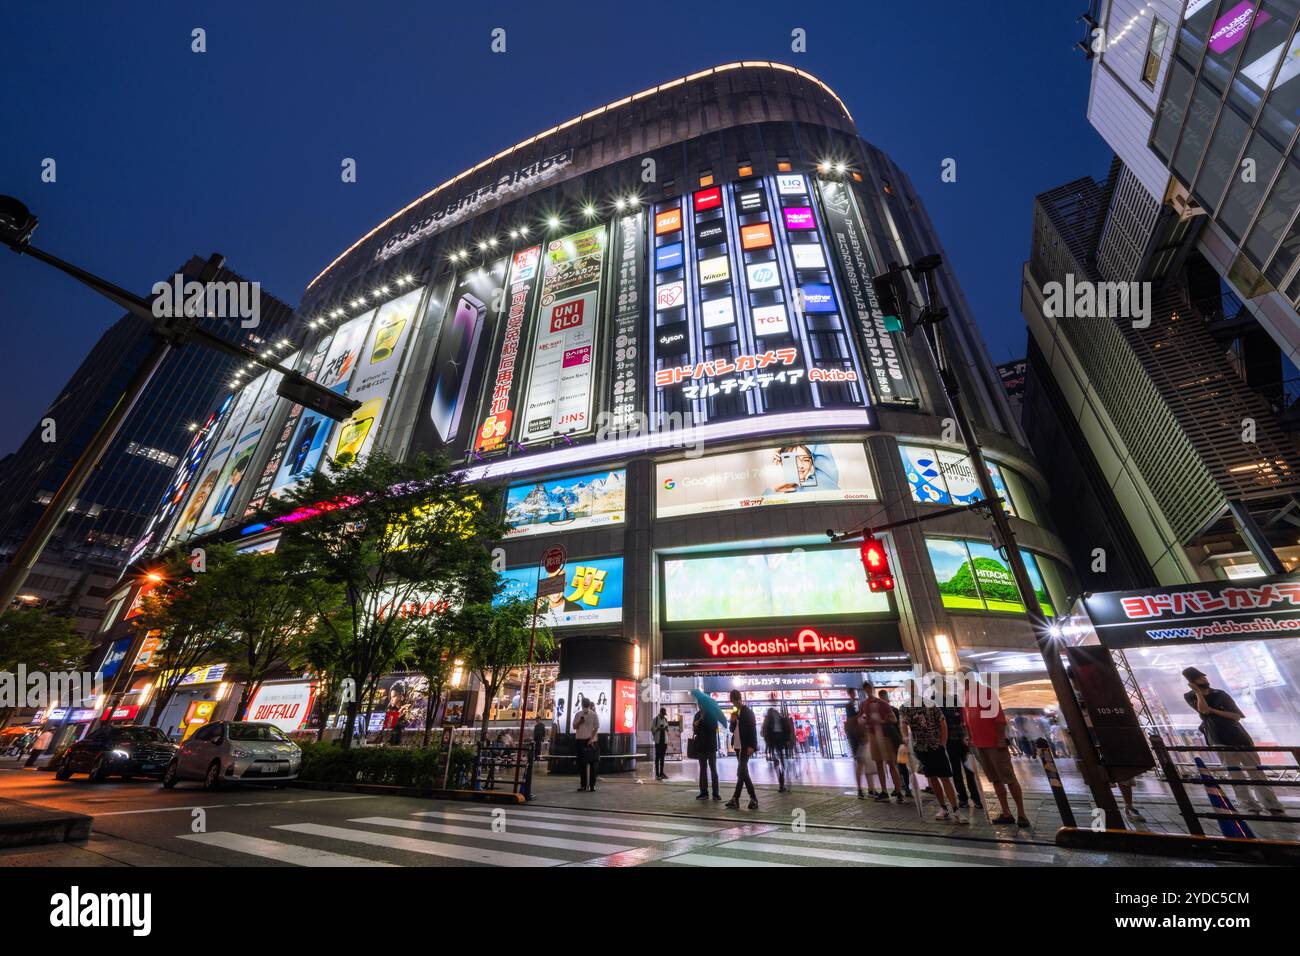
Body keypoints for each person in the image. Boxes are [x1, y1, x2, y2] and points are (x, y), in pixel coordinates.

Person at [1183, 667, 1283, 815]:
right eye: (1200, 678)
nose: (1204, 679)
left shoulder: (1220, 694)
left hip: (1238, 736)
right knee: (1234, 774)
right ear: (1192, 682)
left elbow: (1236, 716)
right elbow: (1203, 710)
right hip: (1217, 737)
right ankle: (1249, 805)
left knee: (1256, 771)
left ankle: (1272, 804)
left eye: (1204, 676)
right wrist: (1198, 692)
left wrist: (1214, 711)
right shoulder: (1190, 696)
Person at [962, 676, 1029, 827]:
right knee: (994, 779)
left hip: (993, 743)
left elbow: (998, 718)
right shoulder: (966, 695)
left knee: (1009, 778)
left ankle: (1021, 814)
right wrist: (969, 736)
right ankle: (1006, 812)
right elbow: (967, 720)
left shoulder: (985, 692)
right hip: (979, 744)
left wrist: (1000, 738)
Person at [900, 679, 966, 823]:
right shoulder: (904, 707)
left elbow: (942, 721)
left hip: (936, 746)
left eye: (913, 686)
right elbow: (904, 723)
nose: (911, 689)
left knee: (944, 777)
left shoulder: (930, 703)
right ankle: (943, 807)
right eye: (909, 687)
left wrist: (943, 741)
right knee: (932, 777)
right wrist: (905, 738)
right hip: (921, 747)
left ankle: (955, 809)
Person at [861, 682, 903, 802]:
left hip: (885, 736)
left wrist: (882, 721)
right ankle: (884, 791)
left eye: (870, 688)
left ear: (872, 689)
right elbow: (861, 718)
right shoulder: (864, 705)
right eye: (866, 689)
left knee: (891, 764)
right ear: (864, 690)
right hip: (873, 735)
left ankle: (899, 791)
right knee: (879, 764)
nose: (868, 691)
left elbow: (894, 719)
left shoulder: (883, 703)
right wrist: (863, 721)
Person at [941, 704, 982, 810]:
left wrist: (968, 736)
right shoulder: (935, 701)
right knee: (956, 771)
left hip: (963, 741)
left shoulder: (955, 699)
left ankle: (976, 798)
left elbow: (964, 718)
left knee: (969, 770)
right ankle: (963, 799)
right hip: (949, 742)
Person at [725, 690, 759, 810]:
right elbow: (731, 729)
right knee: (743, 773)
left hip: (745, 746)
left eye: (735, 701)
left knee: (741, 772)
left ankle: (744, 798)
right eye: (733, 702)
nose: (734, 704)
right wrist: (732, 721)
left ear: (739, 700)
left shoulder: (748, 712)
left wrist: (752, 746)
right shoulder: (735, 712)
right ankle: (743, 799)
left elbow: (752, 730)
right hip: (738, 746)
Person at [879, 688, 911, 799]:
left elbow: (897, 724)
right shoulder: (894, 710)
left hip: (894, 741)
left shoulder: (889, 711)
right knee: (900, 765)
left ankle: (901, 788)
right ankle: (904, 788)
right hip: (898, 740)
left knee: (896, 765)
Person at [761, 694, 790, 793]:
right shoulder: (771, 712)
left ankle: (782, 781)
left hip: (778, 738)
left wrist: (787, 738)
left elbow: (785, 726)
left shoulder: (778, 712)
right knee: (778, 760)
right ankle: (781, 782)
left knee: (780, 760)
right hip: (774, 739)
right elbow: (765, 728)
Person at [573, 698, 600, 792]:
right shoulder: (578, 714)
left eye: (585, 704)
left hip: (591, 742)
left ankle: (592, 785)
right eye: (584, 704)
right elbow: (574, 727)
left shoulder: (593, 714)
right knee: (581, 764)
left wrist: (591, 739)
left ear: (588, 705)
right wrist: (580, 722)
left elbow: (596, 727)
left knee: (593, 764)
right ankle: (583, 785)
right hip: (580, 741)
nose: (584, 706)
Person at [693, 708, 721, 801]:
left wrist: (702, 721)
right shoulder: (697, 715)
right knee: (702, 770)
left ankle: (715, 794)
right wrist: (696, 725)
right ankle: (703, 792)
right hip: (701, 746)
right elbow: (695, 731)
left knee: (713, 769)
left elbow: (713, 728)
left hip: (711, 746)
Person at [650, 707, 670, 780]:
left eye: (664, 714)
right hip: (658, 741)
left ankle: (662, 773)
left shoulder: (665, 719)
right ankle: (657, 774)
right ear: (660, 712)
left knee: (662, 757)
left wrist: (666, 728)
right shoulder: (655, 719)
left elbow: (667, 729)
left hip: (664, 741)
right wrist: (658, 728)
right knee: (657, 757)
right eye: (663, 714)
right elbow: (652, 728)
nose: (664, 715)